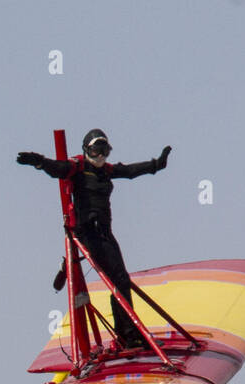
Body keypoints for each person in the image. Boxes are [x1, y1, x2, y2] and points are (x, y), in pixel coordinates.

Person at [18, 129, 170, 348]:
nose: (100, 156)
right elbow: (57, 168)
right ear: (86, 150)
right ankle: (129, 335)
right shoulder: (77, 168)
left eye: (105, 151)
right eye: (96, 151)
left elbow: (129, 171)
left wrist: (156, 165)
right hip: (88, 234)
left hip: (105, 233)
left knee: (121, 280)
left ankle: (127, 334)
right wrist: (39, 161)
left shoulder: (105, 171)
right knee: (118, 279)